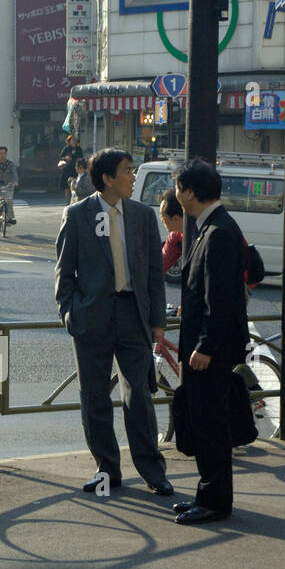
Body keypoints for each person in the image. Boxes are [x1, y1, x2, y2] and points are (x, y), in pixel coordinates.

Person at [55, 147, 174, 498]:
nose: (133, 176)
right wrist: (70, 313)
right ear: (108, 178)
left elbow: (155, 273)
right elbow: (64, 272)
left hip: (131, 314)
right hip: (90, 318)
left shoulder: (141, 216)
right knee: (94, 398)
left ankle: (153, 471)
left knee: (139, 393)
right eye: (127, 170)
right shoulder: (77, 215)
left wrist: (157, 323)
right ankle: (107, 470)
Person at [171, 158, 249, 525]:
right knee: (204, 422)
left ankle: (215, 501)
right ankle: (207, 495)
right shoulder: (211, 227)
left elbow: (221, 300)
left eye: (177, 188)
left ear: (188, 192)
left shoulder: (217, 232)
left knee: (211, 425)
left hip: (209, 351)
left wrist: (206, 346)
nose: (175, 196)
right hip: (206, 347)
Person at [57, 133, 84, 201]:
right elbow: (61, 157)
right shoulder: (66, 148)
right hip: (67, 169)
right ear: (69, 141)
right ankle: (68, 201)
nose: (73, 141)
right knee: (67, 187)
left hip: (76, 169)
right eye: (72, 140)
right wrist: (66, 158)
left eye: (75, 140)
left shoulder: (79, 149)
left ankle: (75, 200)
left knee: (76, 185)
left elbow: (81, 158)